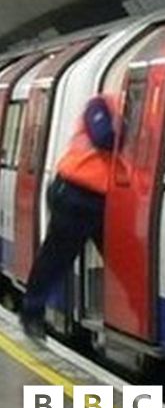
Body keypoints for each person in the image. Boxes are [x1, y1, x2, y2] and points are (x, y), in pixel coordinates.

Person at [20, 95, 117, 340]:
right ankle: (31, 312)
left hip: (107, 199)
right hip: (74, 192)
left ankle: (129, 323)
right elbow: (103, 136)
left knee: (122, 261)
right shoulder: (101, 104)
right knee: (56, 258)